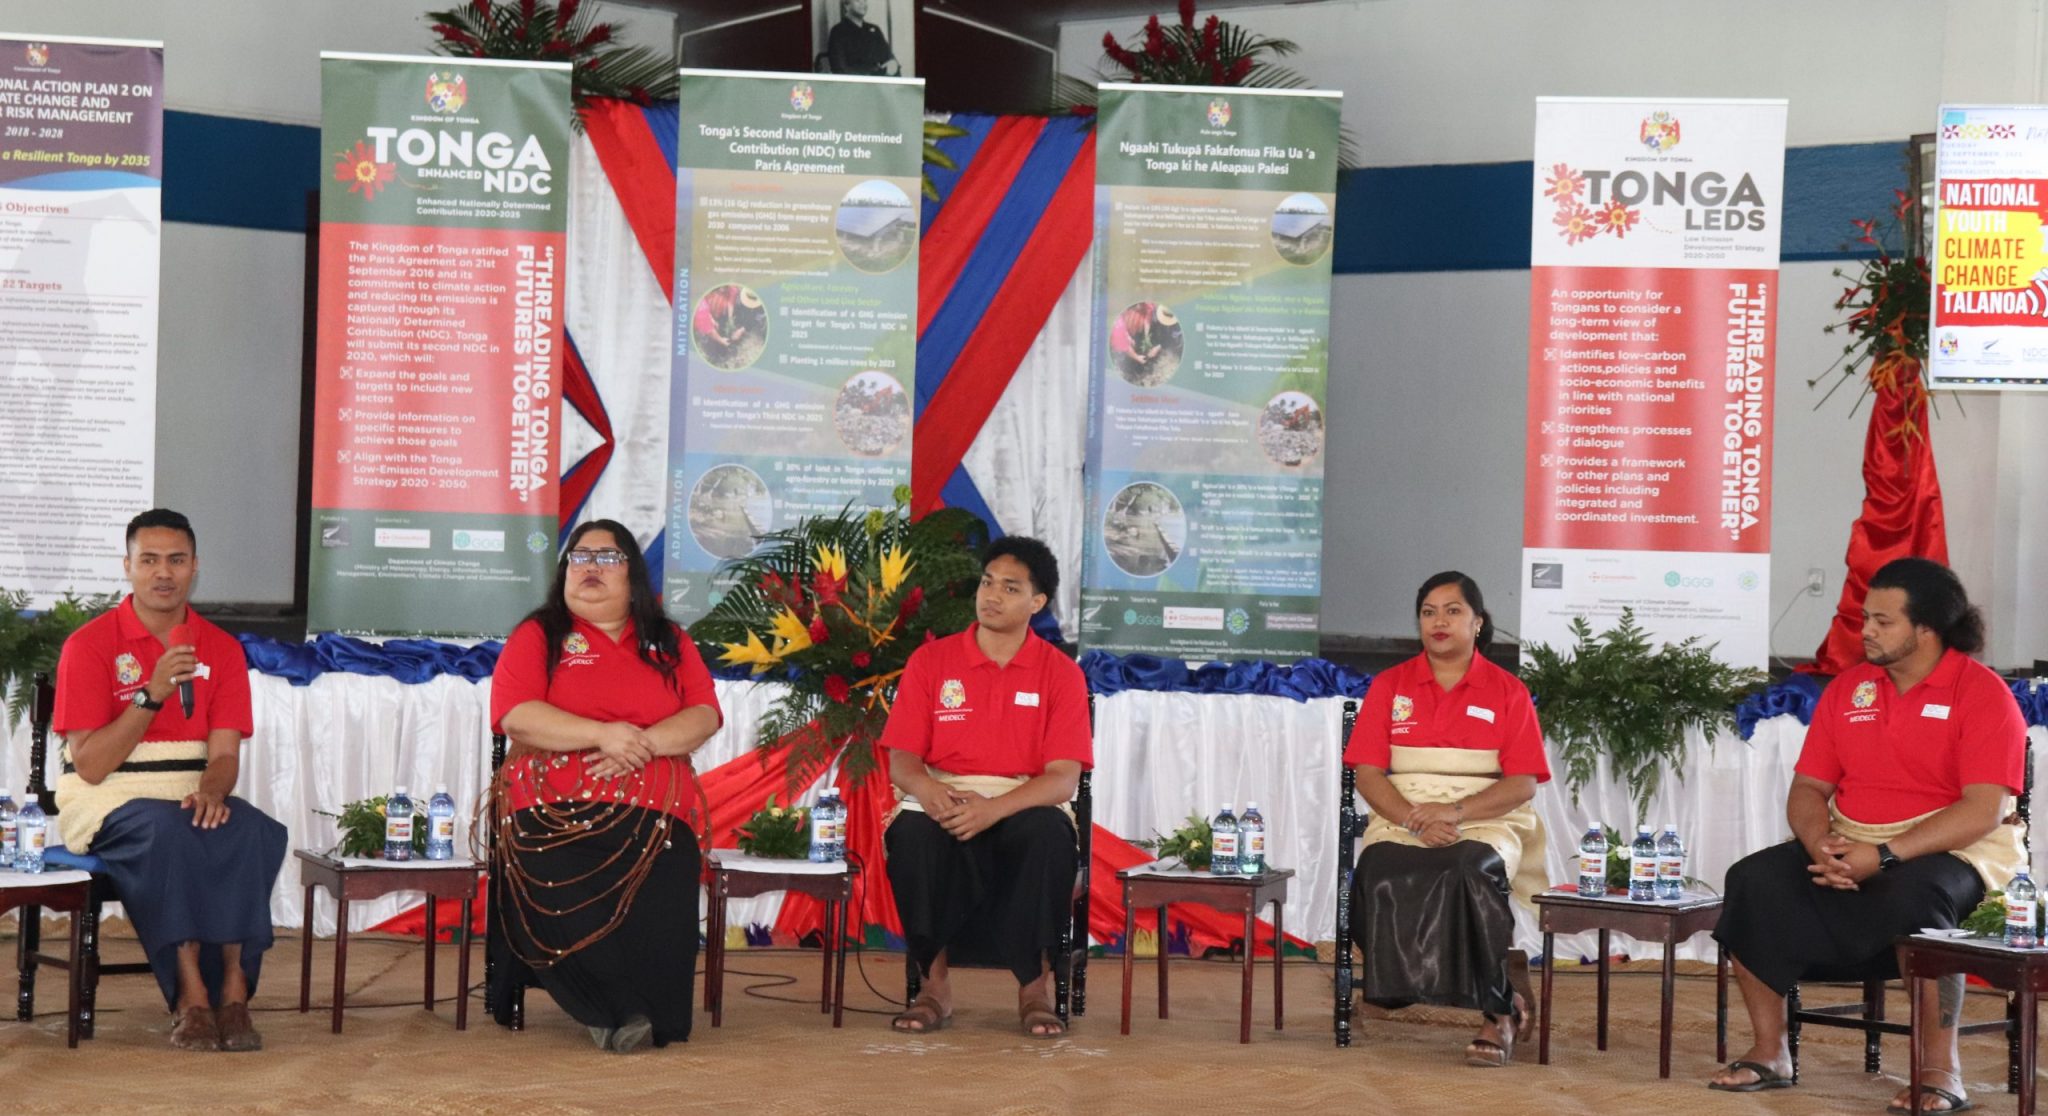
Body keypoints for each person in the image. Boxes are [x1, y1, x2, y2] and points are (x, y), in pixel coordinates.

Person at [1710, 558, 2027, 1112]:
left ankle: (1940, 1071)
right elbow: (1808, 788)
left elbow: (1983, 809)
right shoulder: (1850, 688)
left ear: (1926, 628)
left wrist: (1882, 856)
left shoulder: (1981, 693)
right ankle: (1770, 1052)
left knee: (1918, 894)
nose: (1867, 631)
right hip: (1852, 842)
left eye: (1884, 621)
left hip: (1956, 850)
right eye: (1866, 618)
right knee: (1754, 879)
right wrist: (1820, 848)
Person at [52, 508, 288, 1052]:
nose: (164, 573)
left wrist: (212, 791)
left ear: (194, 567)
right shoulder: (89, 646)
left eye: (176, 560)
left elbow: (225, 754)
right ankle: (190, 996)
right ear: (128, 567)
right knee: (170, 832)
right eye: (150, 560)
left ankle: (234, 989)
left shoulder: (221, 648)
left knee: (253, 829)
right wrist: (151, 692)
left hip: (188, 791)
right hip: (109, 796)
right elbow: (90, 765)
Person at [488, 519, 723, 1052]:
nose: (591, 566)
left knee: (667, 860)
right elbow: (515, 715)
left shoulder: (668, 640)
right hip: (552, 802)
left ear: (633, 575)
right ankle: (610, 1007)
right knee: (548, 867)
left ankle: (647, 1012)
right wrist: (601, 735)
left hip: (653, 803)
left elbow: (705, 714)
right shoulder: (539, 634)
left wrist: (640, 744)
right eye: (580, 556)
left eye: (608, 557)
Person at [882, 536, 1090, 1037]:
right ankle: (933, 988)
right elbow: (902, 761)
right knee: (912, 836)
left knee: (1045, 836)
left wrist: (994, 810)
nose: (991, 595)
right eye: (986, 582)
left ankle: (1034, 992)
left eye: (1010, 588)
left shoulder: (1060, 674)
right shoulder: (931, 662)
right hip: (945, 792)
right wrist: (931, 794)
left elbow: (1063, 779)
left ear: (1036, 603)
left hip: (1024, 798)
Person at [1344, 571, 1548, 1066]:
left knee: (1468, 869)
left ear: (1477, 623)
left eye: (1453, 611)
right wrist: (1417, 819)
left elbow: (1522, 782)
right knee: (1378, 871)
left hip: (1485, 816)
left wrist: (1454, 814)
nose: (1439, 622)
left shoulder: (1507, 691)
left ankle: (1497, 1012)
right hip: (1403, 813)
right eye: (1429, 612)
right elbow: (1369, 776)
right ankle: (1497, 982)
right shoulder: (1390, 685)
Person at [826, 0, 899, 76]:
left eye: (865, 0)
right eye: (858, 1)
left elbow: (890, 58)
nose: (863, 3)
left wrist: (892, 67)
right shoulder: (838, 31)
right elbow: (839, 68)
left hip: (880, 83)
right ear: (846, 5)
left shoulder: (874, 30)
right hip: (856, 84)